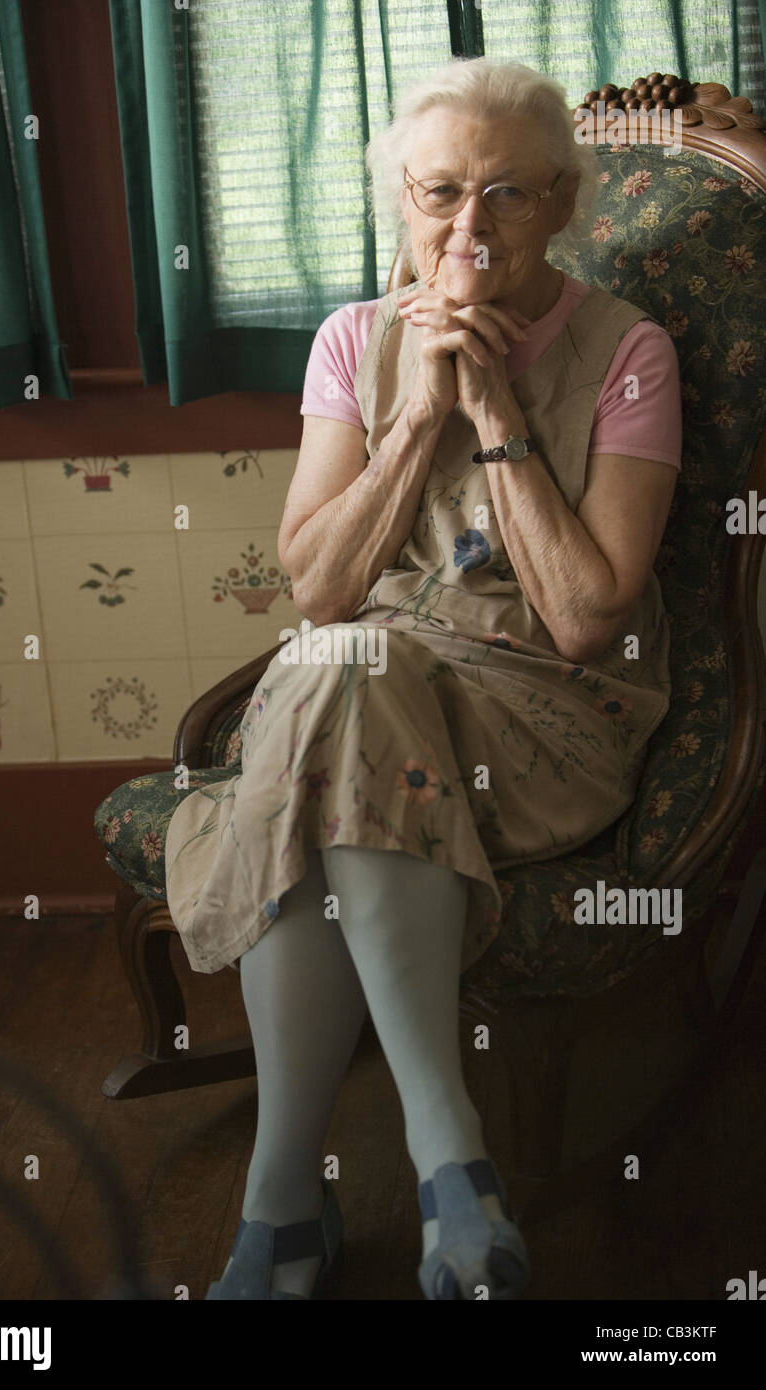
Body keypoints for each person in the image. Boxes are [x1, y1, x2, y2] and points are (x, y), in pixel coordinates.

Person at [164, 56, 682, 1300]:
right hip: (369, 688)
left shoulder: (629, 352)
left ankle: (284, 1207)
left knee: (325, 698)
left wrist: (492, 407)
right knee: (342, 665)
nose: (467, 224)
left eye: (505, 191)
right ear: (400, 199)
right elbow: (319, 585)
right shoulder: (353, 341)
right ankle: (446, 1160)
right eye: (438, 190)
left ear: (560, 202)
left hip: (540, 717)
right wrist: (413, 418)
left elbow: (583, 620)